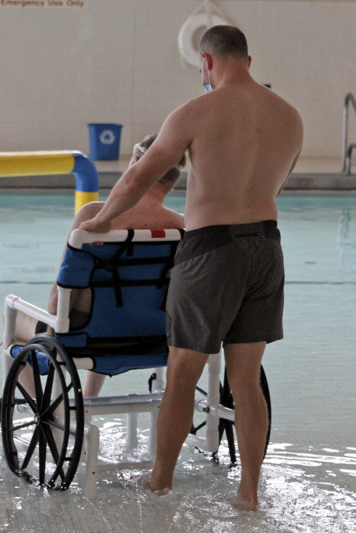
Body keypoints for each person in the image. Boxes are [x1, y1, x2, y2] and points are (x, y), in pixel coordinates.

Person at [78, 26, 303, 510]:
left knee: (182, 372)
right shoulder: (289, 117)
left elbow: (141, 175)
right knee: (246, 381)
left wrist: (102, 219)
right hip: (267, 247)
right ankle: (249, 493)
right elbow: (277, 187)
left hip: (212, 249)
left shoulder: (195, 112)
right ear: (247, 58)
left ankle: (161, 479)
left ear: (206, 62)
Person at [13, 133, 186, 397]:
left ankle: (45, 412)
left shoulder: (95, 215)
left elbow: (58, 298)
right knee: (113, 302)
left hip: (85, 334)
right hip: (153, 336)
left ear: (136, 162)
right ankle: (88, 399)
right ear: (173, 180)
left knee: (13, 318)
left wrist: (51, 335)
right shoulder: (182, 226)